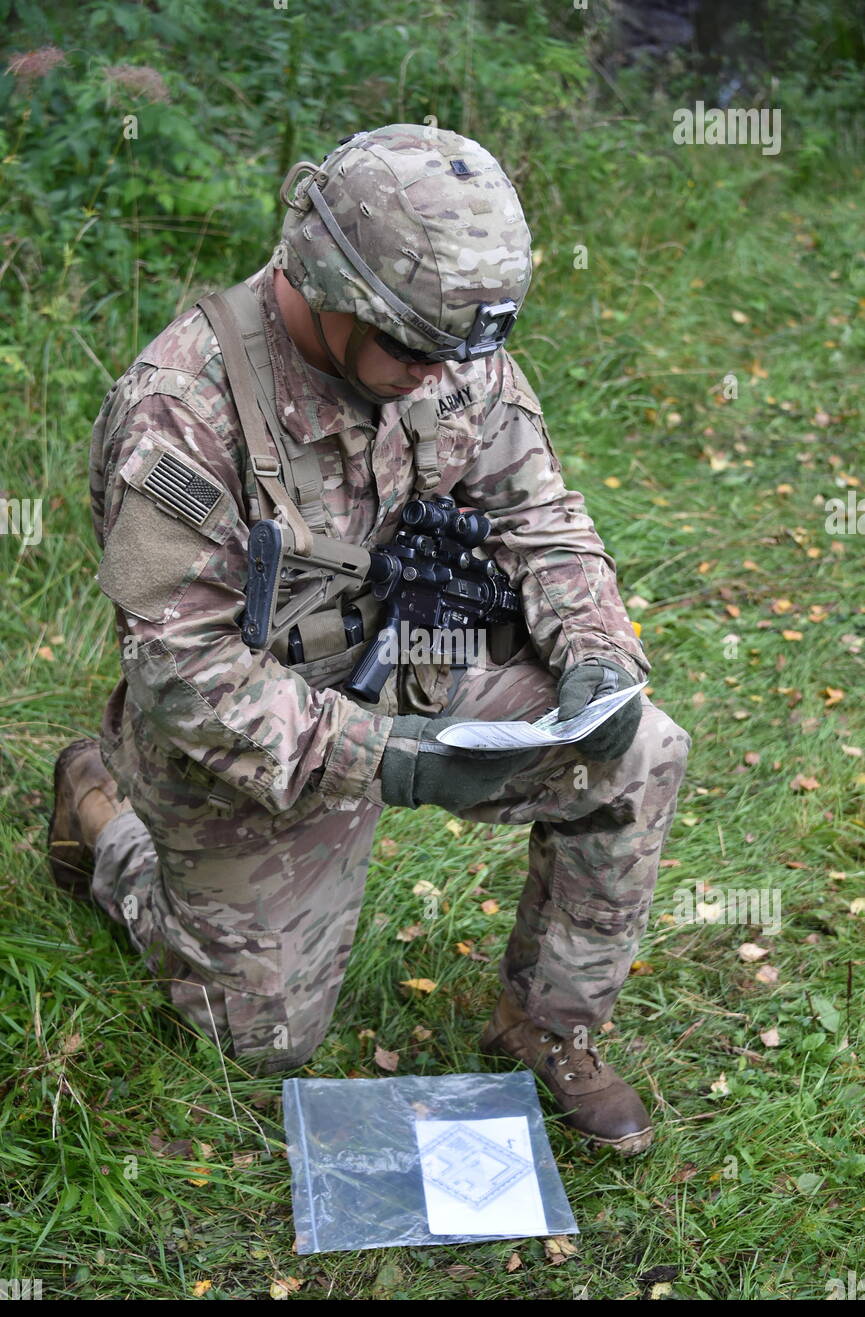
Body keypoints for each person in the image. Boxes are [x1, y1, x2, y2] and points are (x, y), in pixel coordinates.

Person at [48, 124, 690, 1156]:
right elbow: (184, 674)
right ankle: (104, 819)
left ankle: (549, 1025)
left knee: (642, 748)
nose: (437, 378)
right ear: (329, 284)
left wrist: (595, 656)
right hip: (254, 732)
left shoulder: (436, 347)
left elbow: (540, 520)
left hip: (418, 663)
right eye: (411, 351)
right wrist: (384, 765)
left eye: (454, 354)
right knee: (254, 1037)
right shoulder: (183, 411)